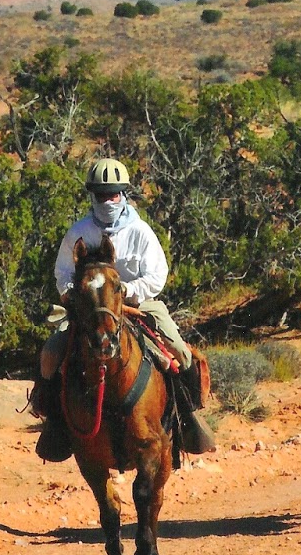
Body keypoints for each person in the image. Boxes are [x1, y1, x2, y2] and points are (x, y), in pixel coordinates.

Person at [29, 158, 215, 460]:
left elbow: (158, 273)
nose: (108, 200)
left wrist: (128, 291)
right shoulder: (79, 231)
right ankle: (56, 422)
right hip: (91, 308)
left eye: (113, 194)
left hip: (138, 304)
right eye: (102, 195)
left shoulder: (140, 231)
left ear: (124, 194)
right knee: (51, 354)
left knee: (179, 351)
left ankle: (186, 417)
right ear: (92, 196)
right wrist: (71, 296)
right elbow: (63, 272)